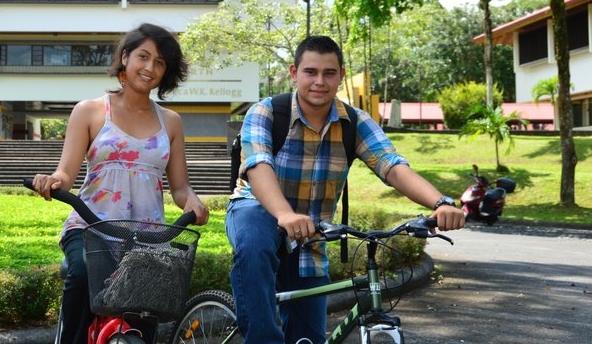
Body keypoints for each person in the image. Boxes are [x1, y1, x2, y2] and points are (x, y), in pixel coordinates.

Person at [226, 35, 465, 344]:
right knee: (254, 245)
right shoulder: (267, 112)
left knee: (308, 339)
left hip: (312, 235)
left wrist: (441, 202)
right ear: (294, 72)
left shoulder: (355, 121)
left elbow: (392, 166)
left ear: (340, 75)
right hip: (256, 209)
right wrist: (284, 214)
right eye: (311, 72)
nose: (319, 81)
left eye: (329, 73)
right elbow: (258, 166)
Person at [31, 23, 210, 344]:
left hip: (147, 237)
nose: (150, 68)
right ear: (125, 57)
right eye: (143, 56)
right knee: (83, 275)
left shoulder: (171, 121)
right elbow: (66, 174)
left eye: (160, 63)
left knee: (146, 313)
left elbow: (180, 187)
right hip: (91, 228)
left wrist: (192, 201)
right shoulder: (90, 111)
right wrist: (52, 181)